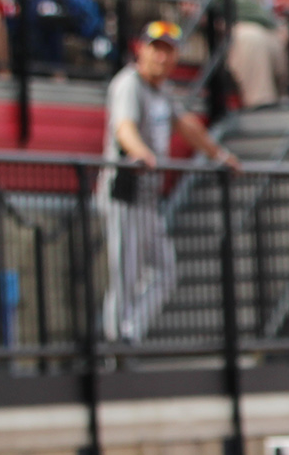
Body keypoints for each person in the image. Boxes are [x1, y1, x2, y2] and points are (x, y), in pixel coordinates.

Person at [100, 20, 238, 343]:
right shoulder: (128, 84)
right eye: (156, 49)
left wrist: (220, 156)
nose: (162, 58)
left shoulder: (161, 92)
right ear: (141, 50)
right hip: (125, 191)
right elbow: (124, 127)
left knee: (165, 270)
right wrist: (142, 153)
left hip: (148, 197)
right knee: (126, 274)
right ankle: (113, 345)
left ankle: (129, 335)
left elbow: (187, 126)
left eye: (168, 51)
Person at [180, 0, 287, 108]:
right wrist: (215, 24)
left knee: (279, 40)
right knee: (252, 37)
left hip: (264, 26)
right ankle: (260, 102)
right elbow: (188, 7)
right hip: (232, 29)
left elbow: (259, 6)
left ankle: (284, 97)